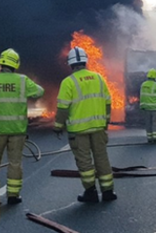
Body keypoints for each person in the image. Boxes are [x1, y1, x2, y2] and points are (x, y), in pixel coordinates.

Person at [53, 47, 116, 203]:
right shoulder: (99, 78)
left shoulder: (68, 82)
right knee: (102, 158)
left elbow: (63, 107)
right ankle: (108, 192)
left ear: (70, 64)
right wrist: (106, 121)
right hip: (98, 128)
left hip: (78, 131)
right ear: (86, 61)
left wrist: (58, 126)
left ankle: (91, 192)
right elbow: (108, 102)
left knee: (85, 162)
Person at [0, 48, 44, 204]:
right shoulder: (22, 80)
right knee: (15, 163)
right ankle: (13, 195)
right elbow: (39, 92)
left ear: (1, 63)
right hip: (16, 131)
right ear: (15, 64)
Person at [139, 68, 156, 144]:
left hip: (145, 107)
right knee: (155, 122)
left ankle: (149, 138)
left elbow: (141, 95)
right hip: (155, 107)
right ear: (155, 76)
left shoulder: (143, 84)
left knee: (148, 123)